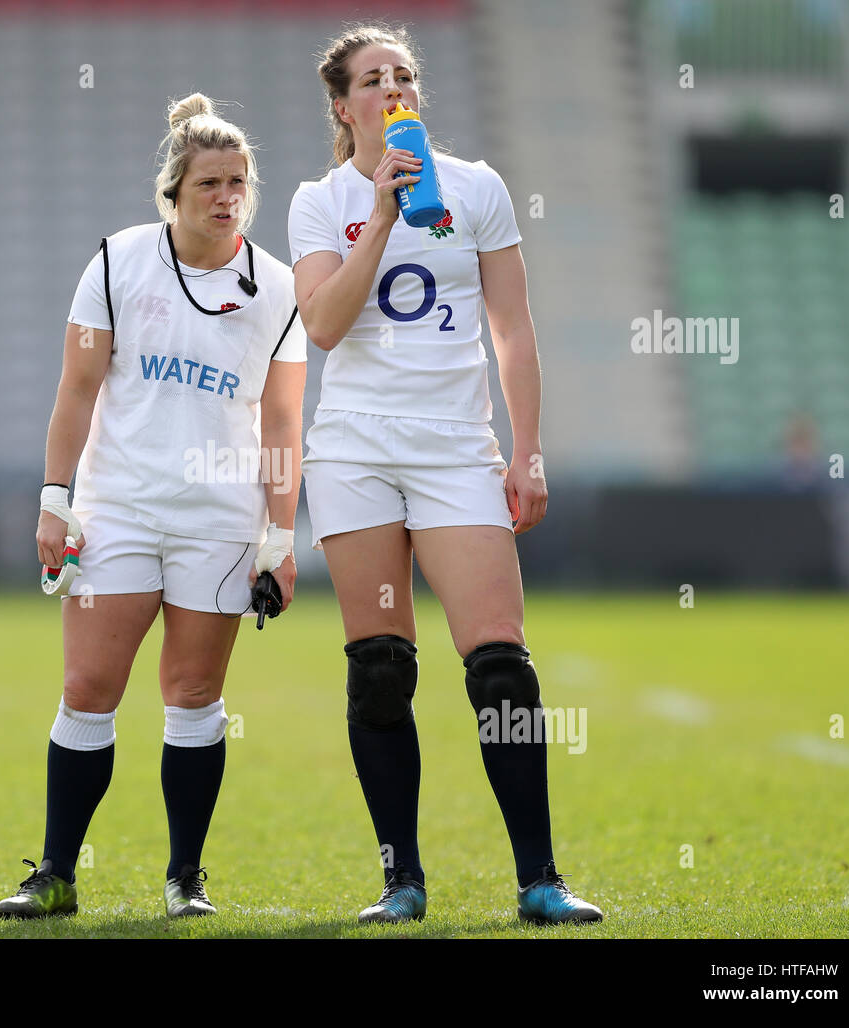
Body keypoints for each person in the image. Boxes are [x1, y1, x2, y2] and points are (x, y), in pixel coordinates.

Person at [287, 24, 603, 926]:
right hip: (353, 448)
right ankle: (402, 881)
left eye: (404, 75)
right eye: (372, 79)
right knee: (382, 668)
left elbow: (512, 327)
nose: (392, 88)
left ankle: (540, 879)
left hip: (456, 446)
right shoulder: (320, 201)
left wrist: (527, 446)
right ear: (344, 107)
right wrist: (381, 214)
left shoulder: (478, 187)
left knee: (500, 663)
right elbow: (323, 326)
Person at [0, 93, 306, 920]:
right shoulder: (118, 260)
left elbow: (281, 417)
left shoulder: (276, 286)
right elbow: (76, 389)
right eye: (209, 181)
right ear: (173, 191)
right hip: (119, 507)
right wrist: (54, 503)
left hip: (220, 519)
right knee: (89, 686)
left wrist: (280, 533)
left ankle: (185, 879)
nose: (227, 194)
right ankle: (56, 873)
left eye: (238, 180)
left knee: (194, 693)